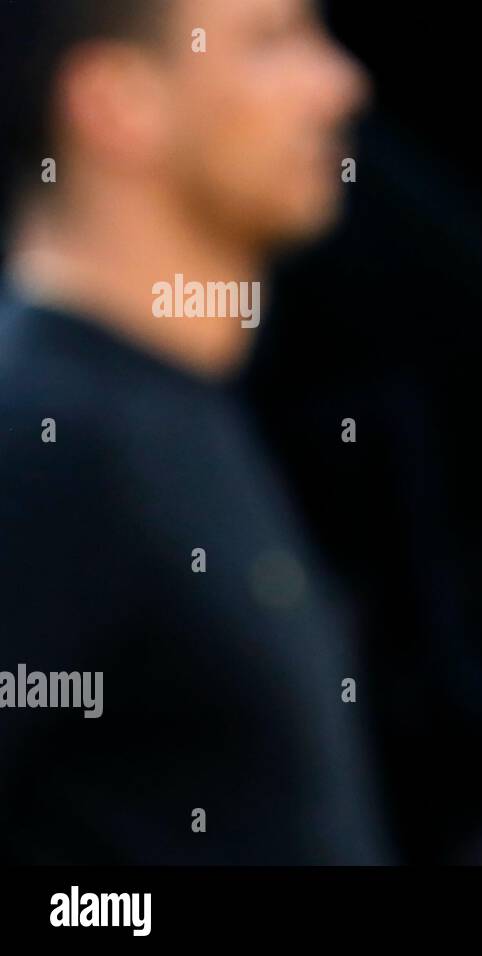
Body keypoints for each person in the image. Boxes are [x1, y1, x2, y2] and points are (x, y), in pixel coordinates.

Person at [0, 0, 393, 863]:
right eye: (272, 41)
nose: (339, 84)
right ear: (115, 102)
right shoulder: (45, 438)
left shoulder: (168, 417)